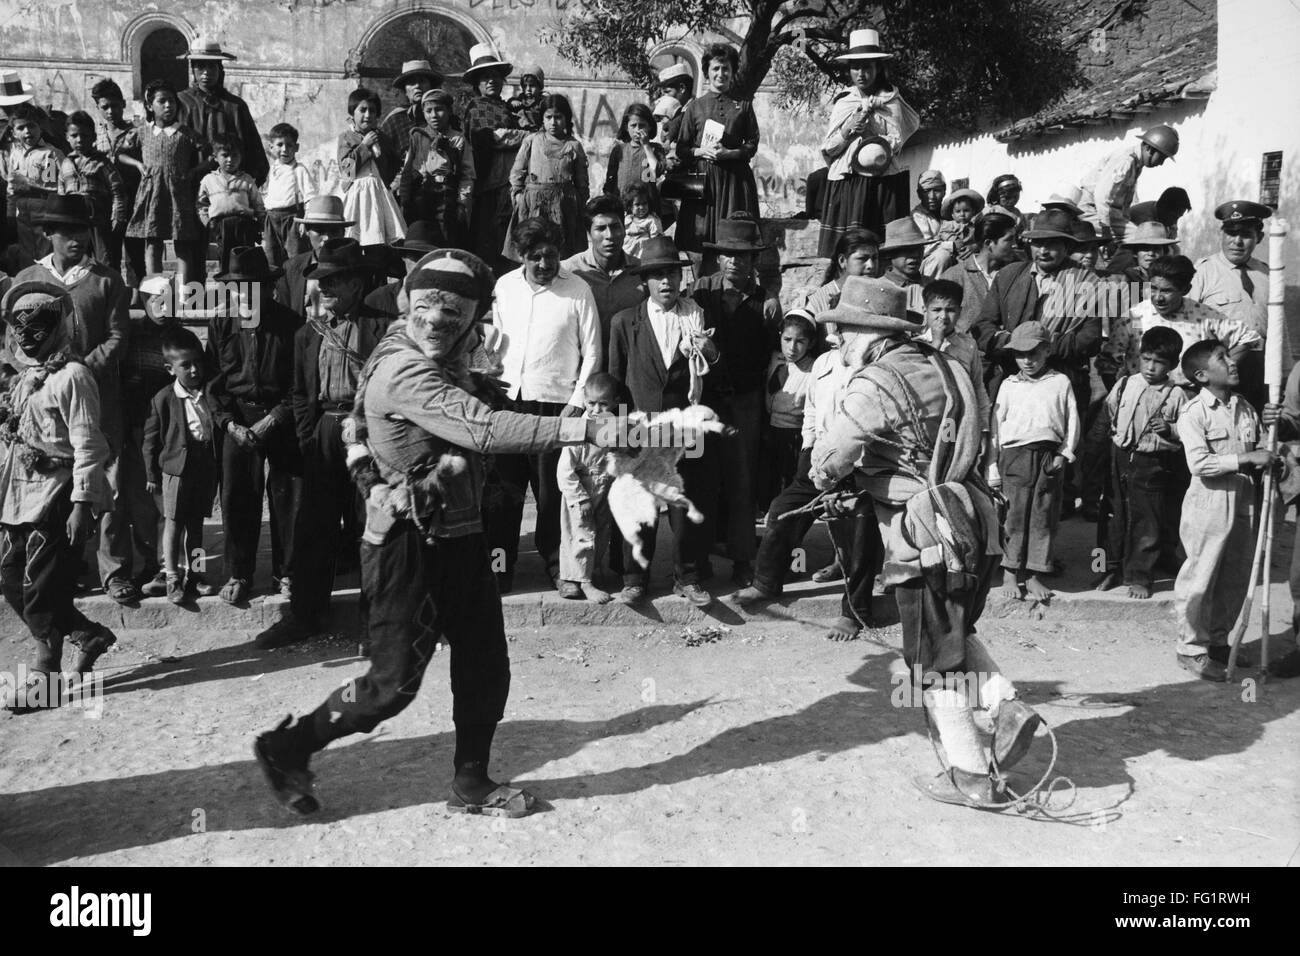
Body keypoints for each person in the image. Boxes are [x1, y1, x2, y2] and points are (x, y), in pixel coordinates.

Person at [251, 249, 638, 818]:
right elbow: (483, 429)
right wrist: (588, 427)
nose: (437, 322)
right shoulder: (402, 368)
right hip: (407, 545)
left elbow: (476, 411)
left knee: (486, 665)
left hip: (461, 535)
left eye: (453, 315)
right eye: (427, 307)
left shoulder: (451, 365)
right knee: (390, 686)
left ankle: (471, 783)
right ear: (407, 304)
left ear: (471, 320)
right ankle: (287, 746)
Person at [807, 274, 1039, 807]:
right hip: (974, 521)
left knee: (931, 661)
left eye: (844, 331)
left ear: (873, 334)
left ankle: (971, 777)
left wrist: (836, 478)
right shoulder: (953, 367)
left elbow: (829, 460)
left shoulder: (875, 384)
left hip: (924, 537)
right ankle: (1008, 707)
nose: (838, 341)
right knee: (953, 633)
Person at [253, 239, 389, 644]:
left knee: (372, 525)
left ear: (355, 284)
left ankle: (377, 621)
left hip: (369, 430)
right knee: (314, 526)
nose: (324, 289)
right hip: (324, 431)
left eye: (333, 281)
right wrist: (309, 436)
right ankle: (305, 615)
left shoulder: (382, 327)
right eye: (320, 281)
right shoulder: (307, 333)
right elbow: (299, 391)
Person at [733, 278, 883, 638]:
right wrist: (809, 450)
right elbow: (814, 412)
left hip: (863, 464)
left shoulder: (880, 367)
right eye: (842, 325)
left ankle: (855, 612)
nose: (845, 333)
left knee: (858, 535)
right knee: (782, 511)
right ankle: (767, 582)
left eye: (854, 326)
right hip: (818, 457)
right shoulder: (826, 363)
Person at [0, 281, 114, 711]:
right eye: (19, 328)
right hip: (17, 495)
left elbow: (89, 443)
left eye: (37, 327)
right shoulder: (26, 379)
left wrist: (83, 503)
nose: (27, 336)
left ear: (57, 326)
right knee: (11, 579)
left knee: (41, 587)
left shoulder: (74, 376)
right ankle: (88, 633)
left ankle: (44, 678)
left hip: (57, 495)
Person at [16, 195, 130, 598]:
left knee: (106, 477)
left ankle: (113, 570)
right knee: (51, 480)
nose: (77, 239)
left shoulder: (106, 280)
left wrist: (80, 369)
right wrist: (38, 377)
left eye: (82, 231)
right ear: (48, 234)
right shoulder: (27, 279)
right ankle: (62, 568)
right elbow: (13, 340)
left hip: (96, 394)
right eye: (67, 232)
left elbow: (118, 336)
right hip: (45, 402)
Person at [489, 218, 600, 593]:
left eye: (550, 255)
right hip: (509, 404)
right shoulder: (504, 287)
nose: (543, 264)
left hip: (556, 408)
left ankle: (560, 569)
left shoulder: (578, 291)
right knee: (504, 494)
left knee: (554, 495)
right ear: (521, 256)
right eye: (534, 257)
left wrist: (578, 401)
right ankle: (499, 568)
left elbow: (593, 352)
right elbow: (495, 343)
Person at [607, 236, 719, 604]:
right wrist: (619, 429)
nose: (666, 282)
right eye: (657, 276)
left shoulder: (697, 317)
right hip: (640, 425)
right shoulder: (625, 322)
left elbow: (712, 374)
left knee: (685, 500)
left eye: (671, 273)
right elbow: (615, 379)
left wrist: (710, 354)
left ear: (680, 276)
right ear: (645, 282)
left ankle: (687, 576)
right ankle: (634, 578)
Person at [206, 247, 303, 606]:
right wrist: (230, 423)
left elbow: (301, 385)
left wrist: (275, 418)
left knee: (288, 497)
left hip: (280, 417)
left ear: (269, 288)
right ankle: (239, 573)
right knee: (237, 498)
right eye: (239, 286)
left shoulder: (291, 325)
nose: (247, 294)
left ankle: (288, 573)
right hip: (239, 420)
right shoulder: (221, 324)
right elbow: (213, 384)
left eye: (255, 286)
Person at [1172, 340, 1271, 681]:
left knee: (1235, 574)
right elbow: (1199, 463)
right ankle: (1191, 648)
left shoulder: (1245, 407)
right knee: (1202, 574)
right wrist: (1245, 458)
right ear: (1201, 375)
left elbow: (1259, 449)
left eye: (1230, 355)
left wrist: (1268, 439)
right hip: (1209, 502)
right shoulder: (1194, 412)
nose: (1232, 362)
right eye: (1221, 358)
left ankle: (1218, 641)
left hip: (1243, 499)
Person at [691, 213, 781, 588]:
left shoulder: (764, 301)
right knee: (702, 478)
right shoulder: (700, 292)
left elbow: (775, 352)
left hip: (745, 401)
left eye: (743, 256)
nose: (735, 262)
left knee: (742, 480)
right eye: (728, 254)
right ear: (719, 257)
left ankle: (743, 558)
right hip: (705, 399)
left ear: (753, 260)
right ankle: (699, 560)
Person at [974, 208, 1102, 411]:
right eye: (1037, 243)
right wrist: (1012, 343)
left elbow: (1090, 339)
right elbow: (983, 325)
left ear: (1067, 246)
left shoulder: (1087, 283)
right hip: (1012, 380)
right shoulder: (1008, 276)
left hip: (1062, 382)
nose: (1042, 251)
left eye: (1051, 244)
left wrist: (1043, 347)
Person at [1095, 326, 1188, 600]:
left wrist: (1169, 430)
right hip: (1118, 457)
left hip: (1153, 463)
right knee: (1109, 515)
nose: (1150, 367)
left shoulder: (1177, 396)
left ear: (1172, 365)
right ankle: (1103, 567)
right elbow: (1107, 413)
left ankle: (1140, 577)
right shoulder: (1126, 383)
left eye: (1159, 363)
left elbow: (1187, 432)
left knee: (1146, 522)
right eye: (1146, 359)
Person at [990, 322, 1079, 603]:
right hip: (1013, 458)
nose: (1027, 361)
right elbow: (995, 428)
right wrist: (993, 468)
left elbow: (1072, 421)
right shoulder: (1008, 385)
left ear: (1047, 351)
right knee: (1012, 517)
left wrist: (1064, 454)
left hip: (1047, 458)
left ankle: (1033, 572)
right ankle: (1009, 571)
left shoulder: (1060, 383)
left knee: (1043, 517)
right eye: (1020, 354)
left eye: (1034, 353)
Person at [817, 28, 919, 259]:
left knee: (884, 250)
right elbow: (830, 147)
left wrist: (871, 124)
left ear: (878, 68)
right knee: (850, 250)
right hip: (849, 184)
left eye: (867, 67)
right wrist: (848, 129)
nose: (861, 73)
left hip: (883, 183)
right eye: (855, 67)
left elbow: (895, 141)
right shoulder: (845, 101)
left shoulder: (890, 101)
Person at [107, 273, 176, 602]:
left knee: (169, 502)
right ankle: (149, 563)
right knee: (140, 500)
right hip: (136, 427)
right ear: (144, 301)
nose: (161, 307)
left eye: (166, 300)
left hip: (170, 432)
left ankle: (170, 565)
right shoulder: (132, 336)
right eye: (154, 300)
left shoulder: (180, 337)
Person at [142, 326, 218, 604]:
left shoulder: (209, 393)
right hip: (175, 471)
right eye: (186, 365)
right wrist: (152, 473)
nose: (195, 370)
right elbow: (150, 441)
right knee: (173, 525)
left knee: (196, 526)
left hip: (203, 468)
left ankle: (195, 575)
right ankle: (172, 576)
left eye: (198, 362)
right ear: (170, 368)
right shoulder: (163, 398)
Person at [1103, 254, 1259, 386]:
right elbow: (1108, 361)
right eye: (1154, 288)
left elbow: (1247, 337)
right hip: (1143, 397)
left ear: (1185, 290)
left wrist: (1218, 374)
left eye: (1167, 291)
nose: (1158, 297)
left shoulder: (1204, 316)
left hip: (1189, 399)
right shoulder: (1135, 316)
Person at [673, 43, 760, 264]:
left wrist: (729, 153)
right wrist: (701, 151)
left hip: (734, 184)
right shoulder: (694, 108)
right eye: (715, 69)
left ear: (732, 72)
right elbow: (682, 149)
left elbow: (752, 145)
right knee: (699, 243)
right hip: (705, 185)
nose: (720, 74)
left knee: (734, 241)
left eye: (725, 69)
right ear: (706, 73)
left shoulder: (744, 106)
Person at [1188, 200, 1273, 410]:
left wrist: (1285, 369)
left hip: (1263, 368)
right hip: (1221, 370)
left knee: (1257, 428)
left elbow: (1280, 328)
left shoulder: (1266, 273)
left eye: (1245, 234)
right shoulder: (1202, 273)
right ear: (1222, 235)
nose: (1237, 241)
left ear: (1258, 238)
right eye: (1231, 233)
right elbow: (1187, 324)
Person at [125, 79, 207, 284]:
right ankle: (156, 291)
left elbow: (211, 156)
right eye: (162, 101)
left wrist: (193, 172)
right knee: (153, 243)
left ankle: (184, 294)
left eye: (172, 101)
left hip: (178, 193)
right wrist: (138, 165)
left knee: (182, 243)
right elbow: (120, 154)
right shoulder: (143, 131)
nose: (168, 105)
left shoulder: (185, 133)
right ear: (150, 106)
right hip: (152, 193)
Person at [557, 372, 620, 603]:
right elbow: (564, 469)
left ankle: (590, 571)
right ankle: (584, 582)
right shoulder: (578, 429)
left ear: (614, 402)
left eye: (603, 404)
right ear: (583, 400)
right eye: (591, 403)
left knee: (602, 532)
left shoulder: (614, 425)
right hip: (582, 490)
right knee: (581, 534)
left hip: (604, 488)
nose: (595, 409)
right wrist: (578, 498)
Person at [175, 37, 269, 188]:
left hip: (230, 187)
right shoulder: (181, 102)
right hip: (190, 186)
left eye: (212, 66)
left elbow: (254, 150)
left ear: (220, 69)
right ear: (192, 69)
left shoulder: (235, 106)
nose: (206, 72)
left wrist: (247, 187)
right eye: (200, 67)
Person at [465, 42, 526, 272]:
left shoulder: (508, 109)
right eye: (484, 77)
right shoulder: (476, 108)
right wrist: (526, 136)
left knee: (508, 238)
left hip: (510, 183)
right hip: (488, 183)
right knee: (489, 237)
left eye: (495, 76)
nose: (491, 81)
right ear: (476, 84)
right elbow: (493, 137)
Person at [505, 93, 588, 261]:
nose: (553, 122)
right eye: (548, 117)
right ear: (542, 119)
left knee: (561, 252)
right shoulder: (532, 141)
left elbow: (582, 182)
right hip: (534, 204)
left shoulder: (574, 145)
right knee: (533, 247)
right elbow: (516, 174)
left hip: (564, 206)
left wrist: (576, 204)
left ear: (566, 119)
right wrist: (520, 197)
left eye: (558, 117)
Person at [560, 194, 644, 354]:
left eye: (615, 227)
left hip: (628, 363)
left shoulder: (641, 271)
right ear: (589, 234)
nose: (610, 236)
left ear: (625, 229)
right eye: (600, 228)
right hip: (582, 365)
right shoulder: (568, 271)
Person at [397, 89, 474, 250]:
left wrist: (462, 202)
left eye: (439, 110)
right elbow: (407, 169)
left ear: (448, 111)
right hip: (421, 195)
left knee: (445, 237)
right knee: (421, 238)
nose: (434, 115)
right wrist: (405, 198)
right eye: (428, 111)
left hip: (447, 195)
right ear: (423, 113)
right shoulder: (417, 136)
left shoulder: (458, 139)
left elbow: (467, 174)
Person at [1077, 125, 1179, 241]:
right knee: (1142, 237)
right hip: (1092, 211)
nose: (1161, 163)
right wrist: (1106, 229)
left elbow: (1123, 203)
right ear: (1149, 149)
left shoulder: (1136, 163)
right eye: (1162, 158)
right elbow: (1102, 196)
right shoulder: (1126, 161)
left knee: (1146, 232)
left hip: (1108, 214)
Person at [90, 78, 144, 281]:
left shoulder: (136, 133)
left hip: (132, 198)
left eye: (114, 105)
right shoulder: (93, 134)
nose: (110, 111)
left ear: (123, 103)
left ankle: (138, 298)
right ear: (98, 108)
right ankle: (112, 295)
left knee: (134, 252)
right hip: (104, 202)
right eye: (105, 107)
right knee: (107, 252)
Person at [338, 87, 405, 250]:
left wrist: (386, 183)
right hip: (356, 194)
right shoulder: (346, 137)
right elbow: (347, 171)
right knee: (354, 238)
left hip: (378, 193)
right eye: (362, 110)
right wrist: (364, 146)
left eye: (372, 111)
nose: (368, 115)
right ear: (352, 113)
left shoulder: (383, 138)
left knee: (378, 238)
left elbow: (394, 163)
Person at [58, 110, 126, 266]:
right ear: (67, 137)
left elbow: (118, 191)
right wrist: (62, 219)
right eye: (74, 136)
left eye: (85, 135)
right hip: (74, 219)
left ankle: (107, 288)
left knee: (104, 259)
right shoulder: (66, 163)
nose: (80, 140)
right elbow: (61, 192)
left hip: (99, 218)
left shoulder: (102, 162)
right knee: (77, 260)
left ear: (94, 137)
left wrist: (118, 217)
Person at [2, 102, 65, 265]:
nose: (27, 131)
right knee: (25, 253)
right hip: (21, 212)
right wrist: (10, 215)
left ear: (40, 128)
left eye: (32, 126)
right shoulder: (15, 154)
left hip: (44, 210)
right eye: (21, 128)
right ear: (13, 132)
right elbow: (11, 187)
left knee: (45, 251)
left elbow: (52, 186)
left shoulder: (49, 154)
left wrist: (28, 185)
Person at [763, 314, 815, 508]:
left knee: (788, 481)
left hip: (794, 435)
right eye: (787, 340)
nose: (792, 348)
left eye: (800, 341)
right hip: (770, 431)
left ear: (810, 343)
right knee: (770, 479)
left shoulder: (813, 368)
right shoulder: (775, 359)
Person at [274, 195, 353, 317]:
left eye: (334, 231)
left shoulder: (356, 269)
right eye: (320, 231)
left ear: (343, 233)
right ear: (307, 231)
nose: (326, 238)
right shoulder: (291, 269)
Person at [198, 134, 265, 275]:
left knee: (246, 259)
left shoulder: (247, 180)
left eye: (235, 156)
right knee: (225, 259)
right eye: (225, 155)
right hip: (221, 226)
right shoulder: (208, 180)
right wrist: (207, 222)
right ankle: (227, 294)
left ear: (241, 157)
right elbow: (201, 205)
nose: (230, 160)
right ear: (215, 157)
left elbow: (257, 204)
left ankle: (246, 295)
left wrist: (261, 223)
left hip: (244, 225)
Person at [941, 211, 1018, 332]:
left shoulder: (1017, 274)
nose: (1015, 245)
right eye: (1009, 240)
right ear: (989, 243)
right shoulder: (954, 277)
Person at [261, 122, 318, 267]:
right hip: (271, 219)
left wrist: (306, 219)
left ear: (296, 147)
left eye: (289, 145)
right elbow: (266, 194)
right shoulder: (271, 170)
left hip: (292, 219)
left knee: (296, 257)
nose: (284, 149)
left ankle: (297, 286)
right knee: (272, 257)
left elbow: (310, 196)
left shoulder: (299, 169)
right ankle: (278, 288)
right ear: (271, 147)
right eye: (280, 145)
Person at [605, 103, 666, 216]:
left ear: (650, 126)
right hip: (622, 207)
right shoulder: (619, 150)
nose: (637, 130)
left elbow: (656, 171)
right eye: (633, 125)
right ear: (626, 127)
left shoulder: (655, 149)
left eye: (642, 125)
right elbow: (610, 181)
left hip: (647, 208)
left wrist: (646, 145)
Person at [380, 59, 441, 164]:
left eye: (422, 81)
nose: (417, 86)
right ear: (405, 91)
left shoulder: (443, 116)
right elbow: (381, 157)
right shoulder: (394, 120)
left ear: (431, 86)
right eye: (412, 83)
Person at [877, 216, 929, 315]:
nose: (915, 255)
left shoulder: (932, 286)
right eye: (908, 250)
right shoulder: (877, 288)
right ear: (890, 253)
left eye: (919, 250)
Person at [1106, 220, 1175, 283]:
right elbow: (1140, 296)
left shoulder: (1170, 279)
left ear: (1164, 252)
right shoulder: (1130, 278)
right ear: (1136, 252)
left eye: (1156, 248)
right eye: (1145, 248)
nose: (1151, 253)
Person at [910, 169, 949, 277]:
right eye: (926, 191)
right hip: (926, 266)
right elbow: (925, 247)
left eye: (937, 190)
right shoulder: (917, 216)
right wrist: (952, 246)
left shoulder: (951, 212)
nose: (931, 197)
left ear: (944, 191)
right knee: (942, 256)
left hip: (952, 259)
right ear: (919, 194)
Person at [936, 186, 983, 265]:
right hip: (954, 254)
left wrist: (975, 245)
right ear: (953, 215)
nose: (962, 214)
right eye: (958, 211)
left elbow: (982, 238)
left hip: (971, 253)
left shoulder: (976, 225)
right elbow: (944, 233)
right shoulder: (950, 225)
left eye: (966, 210)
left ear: (973, 212)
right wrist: (954, 239)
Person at [655, 63, 695, 146]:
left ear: (682, 88)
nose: (665, 97)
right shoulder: (672, 112)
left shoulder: (696, 109)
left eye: (667, 92)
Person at [621, 183, 662, 259]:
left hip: (644, 254)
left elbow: (656, 240)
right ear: (630, 207)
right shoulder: (627, 219)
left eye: (644, 203)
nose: (642, 207)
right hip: (627, 254)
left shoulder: (651, 220)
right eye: (637, 204)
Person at [508, 66, 546, 132]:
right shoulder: (520, 98)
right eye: (525, 86)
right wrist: (512, 102)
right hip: (521, 130)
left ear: (540, 86)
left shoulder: (543, 101)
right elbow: (509, 103)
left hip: (537, 131)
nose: (528, 89)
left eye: (532, 85)